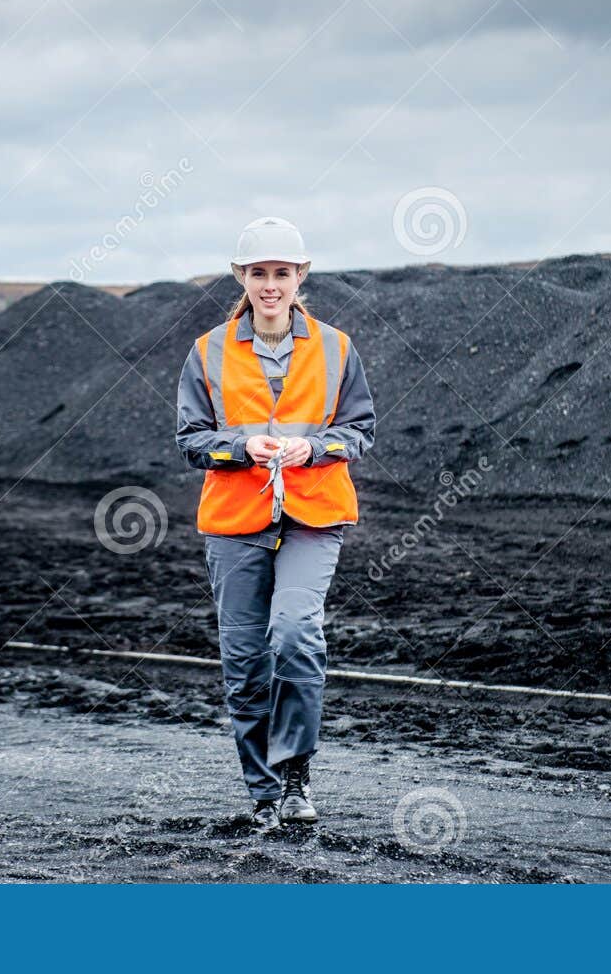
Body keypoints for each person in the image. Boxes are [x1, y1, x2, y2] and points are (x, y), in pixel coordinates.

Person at [174, 216, 376, 831]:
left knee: (293, 633)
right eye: (258, 273)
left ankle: (294, 780)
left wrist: (312, 450)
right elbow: (190, 440)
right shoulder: (206, 351)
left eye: (281, 274)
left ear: (300, 276)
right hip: (236, 520)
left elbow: (360, 429)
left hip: (314, 515)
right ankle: (262, 794)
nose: (270, 285)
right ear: (241, 277)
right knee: (243, 660)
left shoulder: (337, 347)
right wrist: (241, 449)